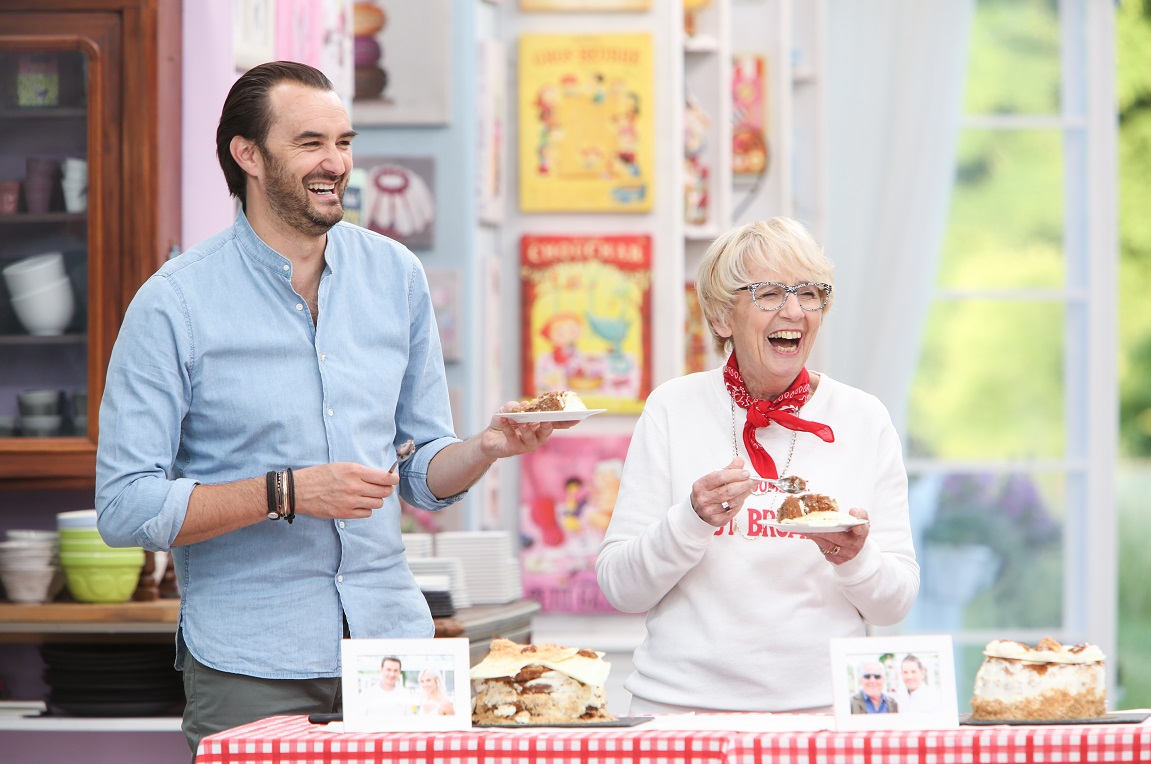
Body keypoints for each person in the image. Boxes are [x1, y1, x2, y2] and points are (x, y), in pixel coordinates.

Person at [94, 61, 572, 753]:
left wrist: (486, 447)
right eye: (311, 142)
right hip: (252, 662)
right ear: (248, 155)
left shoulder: (396, 276)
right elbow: (126, 507)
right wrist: (284, 492)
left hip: (396, 655)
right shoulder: (174, 304)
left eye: (344, 142)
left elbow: (420, 471)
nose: (336, 163)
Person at [596, 217, 919, 715]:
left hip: (821, 718)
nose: (794, 310)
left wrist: (856, 558)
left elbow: (893, 605)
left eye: (809, 293)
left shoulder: (864, 418)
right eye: (769, 293)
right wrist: (690, 521)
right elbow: (620, 586)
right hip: (680, 715)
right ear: (724, 317)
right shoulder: (671, 408)